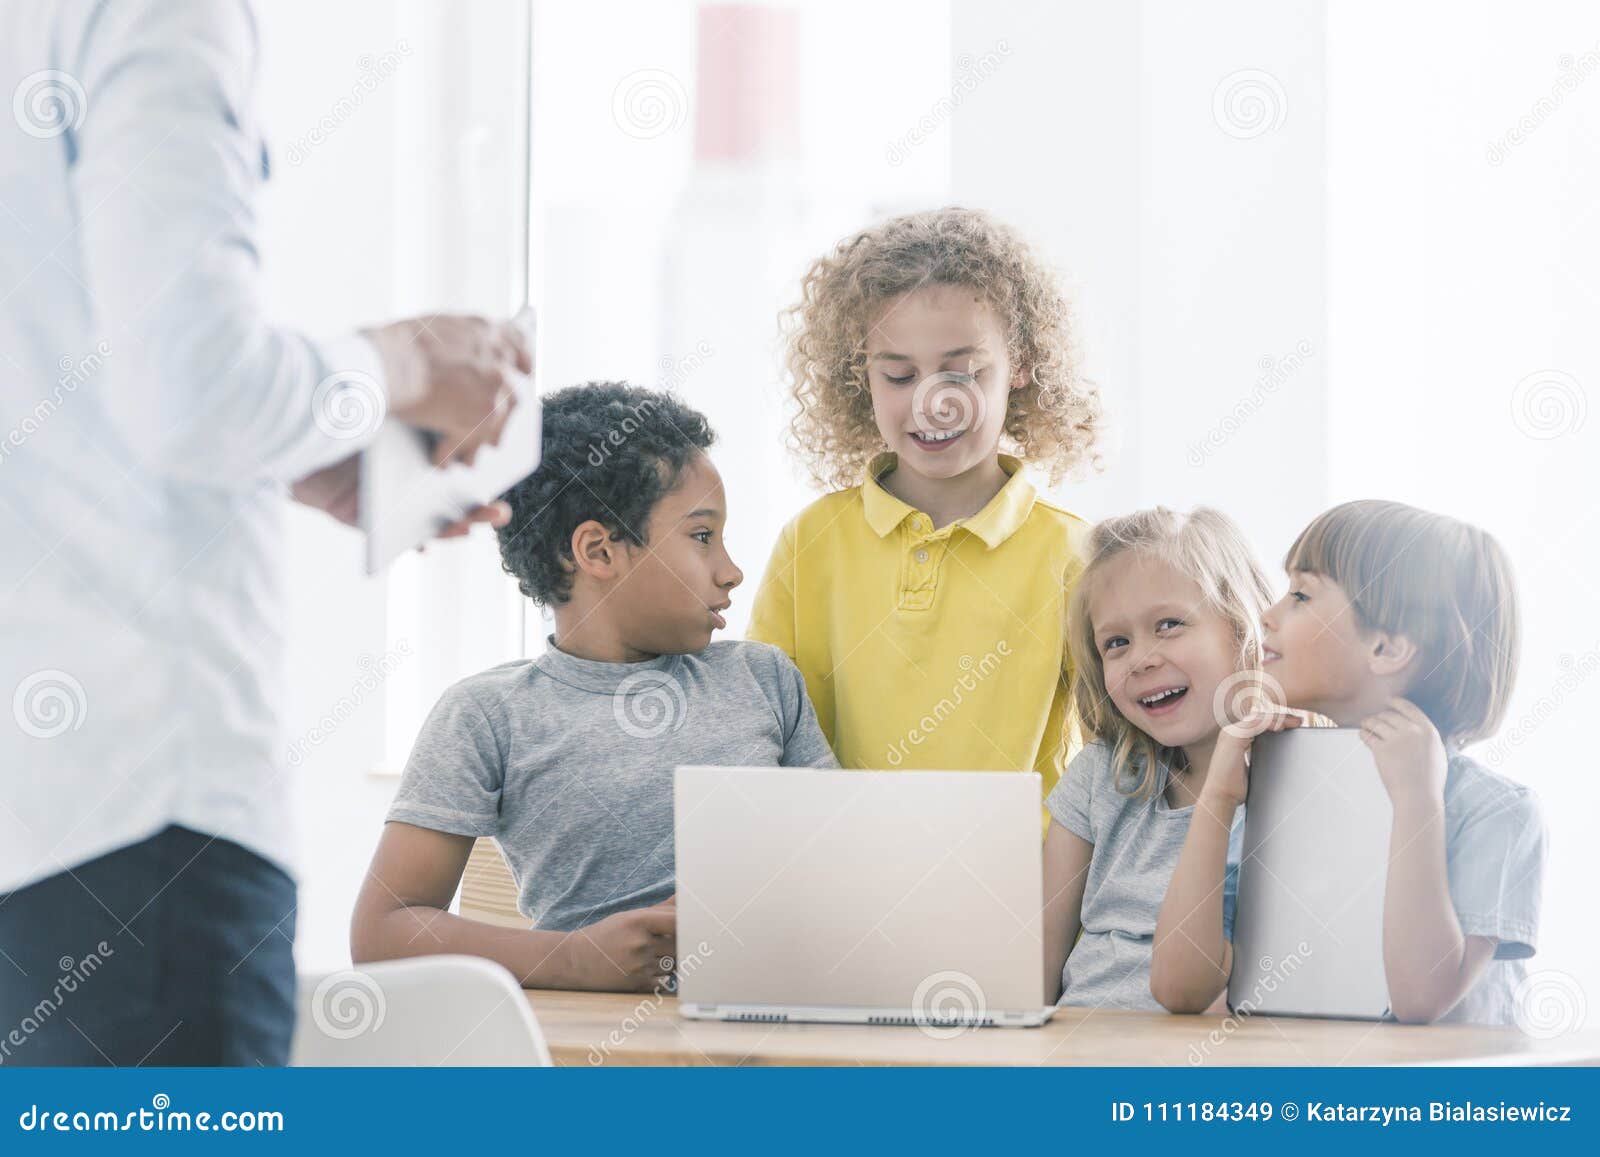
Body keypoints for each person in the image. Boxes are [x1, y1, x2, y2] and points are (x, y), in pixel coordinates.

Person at [0, 0, 526, 1065]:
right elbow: (193, 386)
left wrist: (291, 453)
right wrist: (404, 362)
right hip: (139, 819)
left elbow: (79, 391)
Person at [351, 384, 837, 992]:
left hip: (776, 1028)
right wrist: (574, 958)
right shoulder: (488, 716)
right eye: (702, 537)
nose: (732, 571)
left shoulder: (764, 681)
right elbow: (384, 932)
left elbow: (842, 863)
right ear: (599, 551)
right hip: (590, 1047)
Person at [747, 207, 1102, 813]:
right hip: (838, 882)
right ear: (862, 378)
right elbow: (758, 733)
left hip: (1022, 892)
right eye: (899, 375)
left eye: (961, 373)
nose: (933, 403)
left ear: (1020, 368)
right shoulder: (811, 541)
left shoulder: (1075, 556)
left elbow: (1114, 760)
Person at [1153, 500, 1547, 1024]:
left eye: (1300, 595)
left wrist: (1416, 802)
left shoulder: (1496, 812)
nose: (1267, 615)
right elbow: (1179, 989)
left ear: (1385, 647)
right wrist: (1218, 799)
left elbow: (1420, 1001)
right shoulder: (1280, 785)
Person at [1042, 507, 1278, 1009]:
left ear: (1243, 627)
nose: (1142, 658)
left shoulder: (1296, 788)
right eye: (1116, 643)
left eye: (1169, 624)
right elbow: (1034, 971)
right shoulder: (1099, 776)